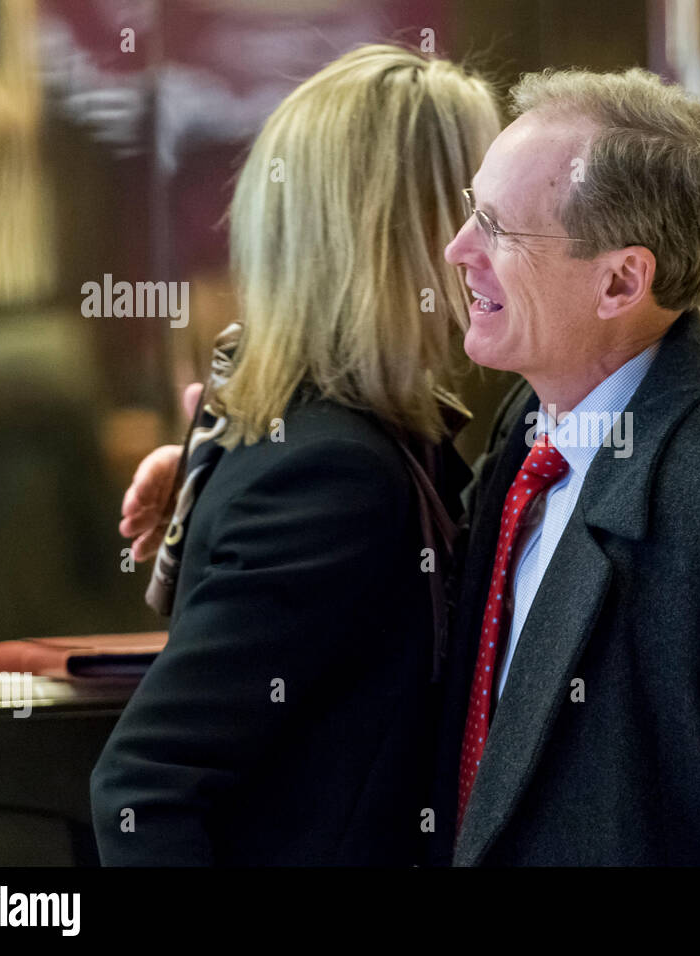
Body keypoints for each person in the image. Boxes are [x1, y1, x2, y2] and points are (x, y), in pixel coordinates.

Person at [122, 66, 700, 866]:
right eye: (470, 209)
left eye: (499, 227)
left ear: (621, 281)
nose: (456, 248)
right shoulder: (531, 426)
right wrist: (212, 465)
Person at [90, 44, 500, 865]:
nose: (495, 240)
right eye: (482, 205)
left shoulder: (338, 436)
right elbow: (145, 786)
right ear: (409, 233)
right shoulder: (333, 473)